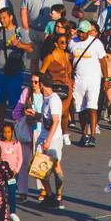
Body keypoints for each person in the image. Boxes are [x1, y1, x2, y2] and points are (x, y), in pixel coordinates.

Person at [69, 19, 108, 147]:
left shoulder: (97, 43)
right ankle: (84, 134)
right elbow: (70, 62)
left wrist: (106, 79)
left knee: (92, 107)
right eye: (79, 32)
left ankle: (92, 136)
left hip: (93, 80)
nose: (80, 34)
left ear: (89, 32)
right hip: (78, 80)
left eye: (83, 32)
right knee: (80, 109)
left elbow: (103, 62)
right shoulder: (72, 43)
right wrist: (70, 78)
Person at [33, 74, 65, 209]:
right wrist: (36, 115)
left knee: (55, 166)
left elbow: (56, 121)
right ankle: (50, 195)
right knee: (38, 169)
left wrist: (48, 141)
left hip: (53, 139)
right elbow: (46, 118)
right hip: (43, 137)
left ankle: (58, 196)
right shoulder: (46, 99)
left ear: (41, 84)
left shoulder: (54, 100)